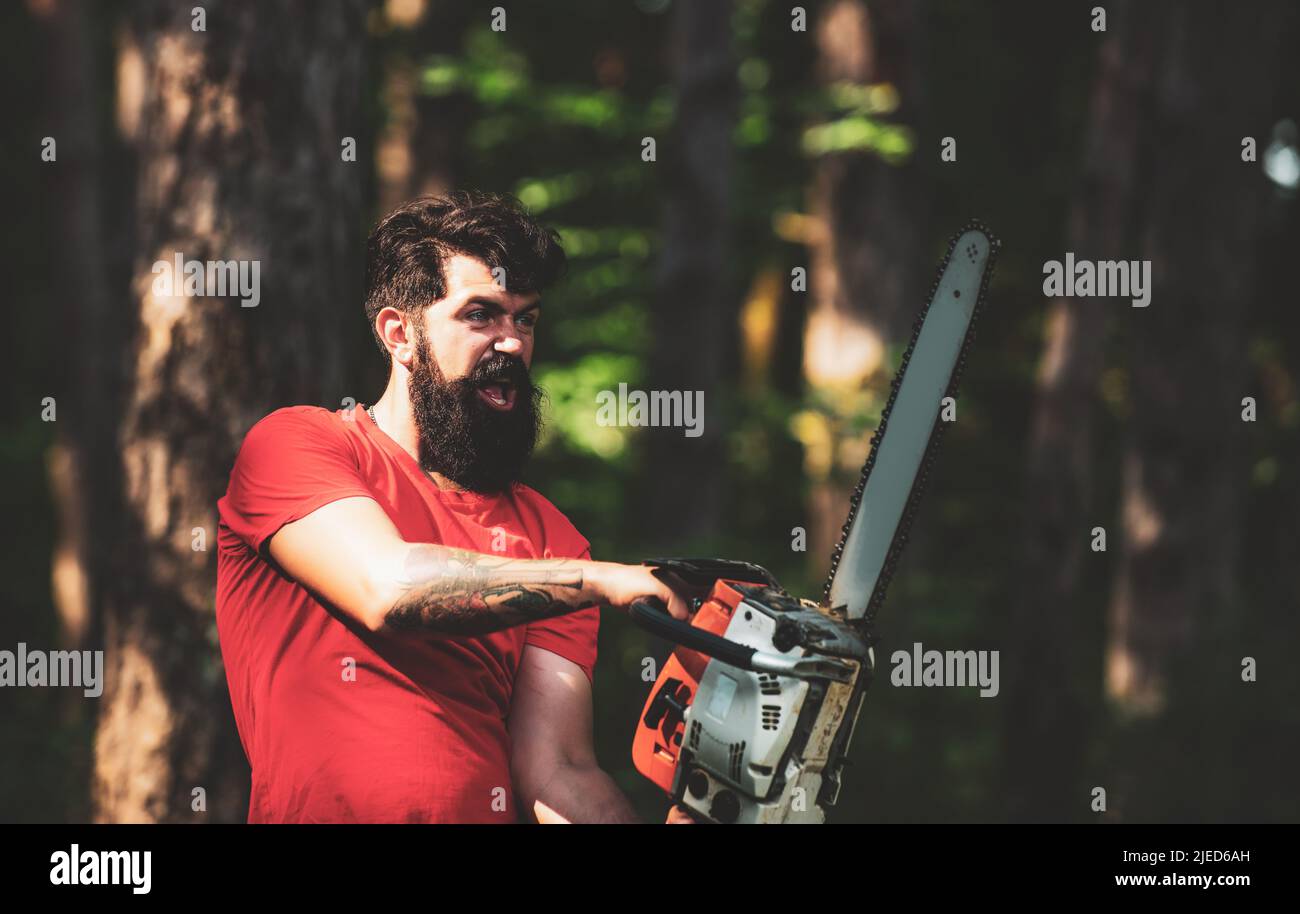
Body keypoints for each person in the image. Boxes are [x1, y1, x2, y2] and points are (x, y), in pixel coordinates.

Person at [215, 191, 692, 823]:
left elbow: (558, 770)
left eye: (526, 320)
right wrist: (602, 580)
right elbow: (388, 588)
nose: (514, 344)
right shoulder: (298, 445)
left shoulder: (553, 537)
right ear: (399, 334)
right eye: (481, 315)